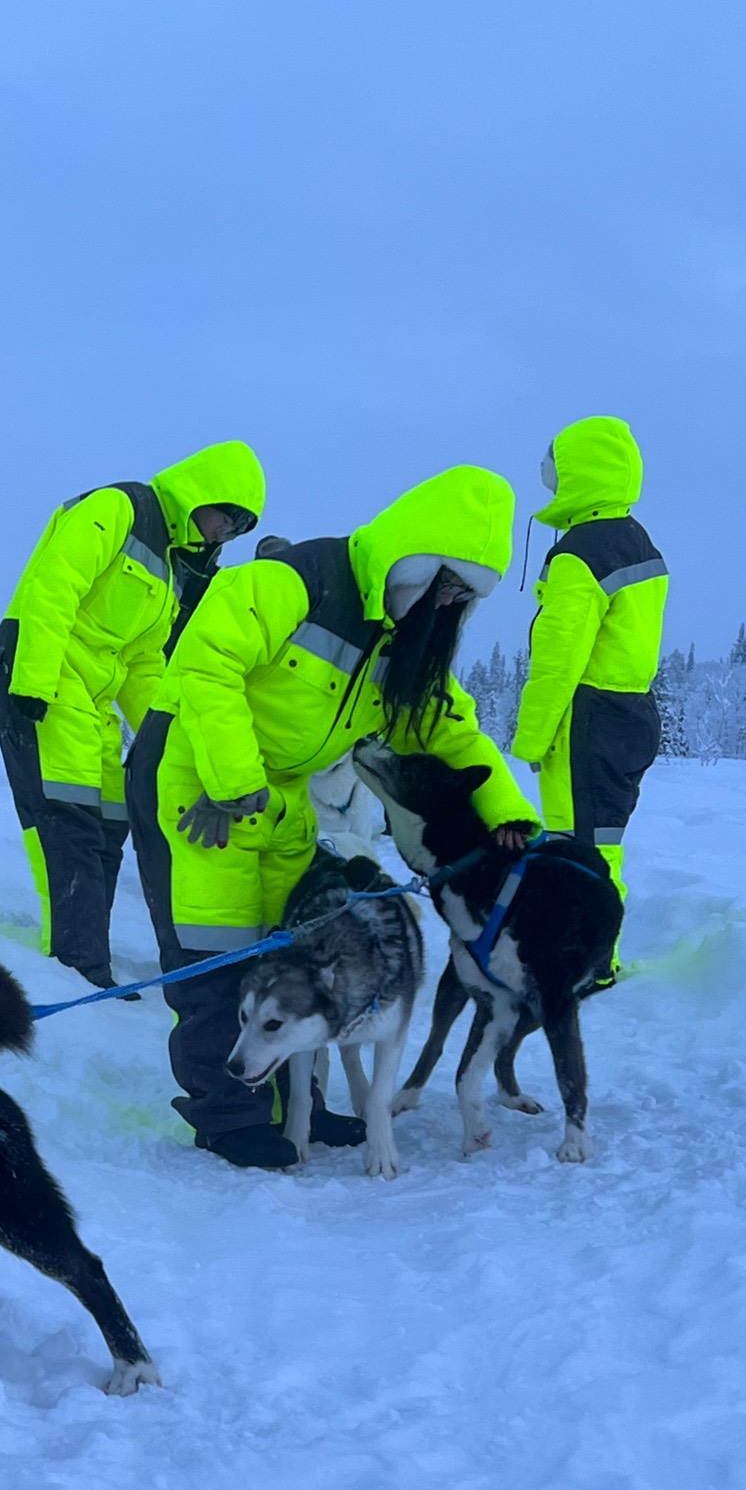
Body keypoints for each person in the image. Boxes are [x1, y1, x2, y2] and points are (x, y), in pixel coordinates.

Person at [127, 465, 540, 1170]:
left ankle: (304, 1110)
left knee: (288, 958)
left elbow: (448, 728)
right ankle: (228, 1120)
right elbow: (205, 666)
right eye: (444, 582)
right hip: (197, 779)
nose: (446, 603)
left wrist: (506, 810)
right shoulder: (295, 582)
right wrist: (230, 783)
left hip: (277, 798)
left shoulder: (398, 644)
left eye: (460, 597)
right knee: (216, 953)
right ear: (413, 555)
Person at [0, 443, 266, 989]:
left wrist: (164, 733)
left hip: (92, 699)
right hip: (42, 675)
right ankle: (77, 967)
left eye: (235, 533)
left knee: (110, 823)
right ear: (205, 494)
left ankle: (89, 957)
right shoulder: (121, 508)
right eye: (225, 520)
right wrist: (33, 681)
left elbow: (143, 662)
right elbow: (54, 584)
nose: (222, 537)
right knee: (66, 821)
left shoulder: (169, 569)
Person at [512, 416, 666, 958]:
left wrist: (530, 739)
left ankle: (587, 959)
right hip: (632, 713)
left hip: (588, 718)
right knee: (600, 846)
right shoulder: (636, 541)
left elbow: (557, 663)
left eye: (554, 471)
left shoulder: (580, 554)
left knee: (580, 850)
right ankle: (590, 950)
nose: (549, 482)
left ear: (578, 473)